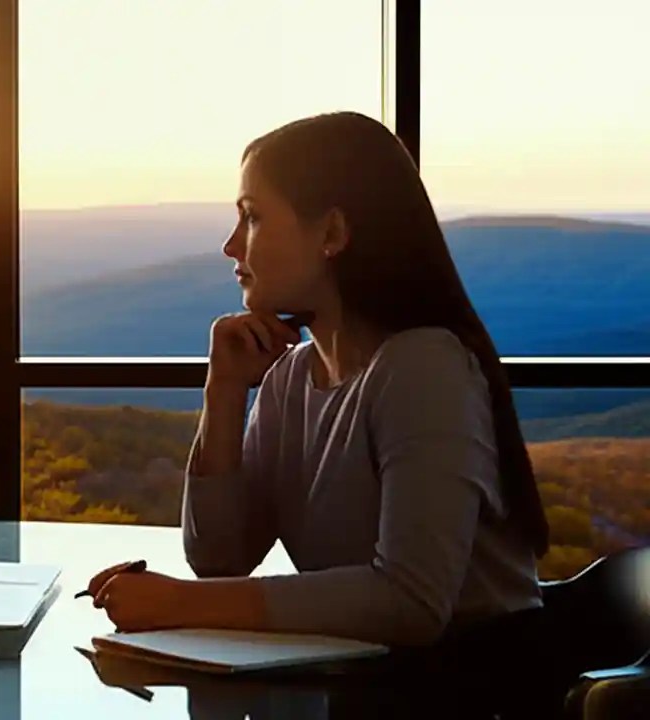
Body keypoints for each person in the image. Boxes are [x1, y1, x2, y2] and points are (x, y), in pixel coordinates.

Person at [84, 111, 550, 651]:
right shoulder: (291, 378)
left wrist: (179, 605)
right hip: (363, 692)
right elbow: (218, 556)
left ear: (332, 232)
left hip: (472, 694)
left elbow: (412, 602)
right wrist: (225, 390)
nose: (231, 246)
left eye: (252, 218)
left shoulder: (423, 366)